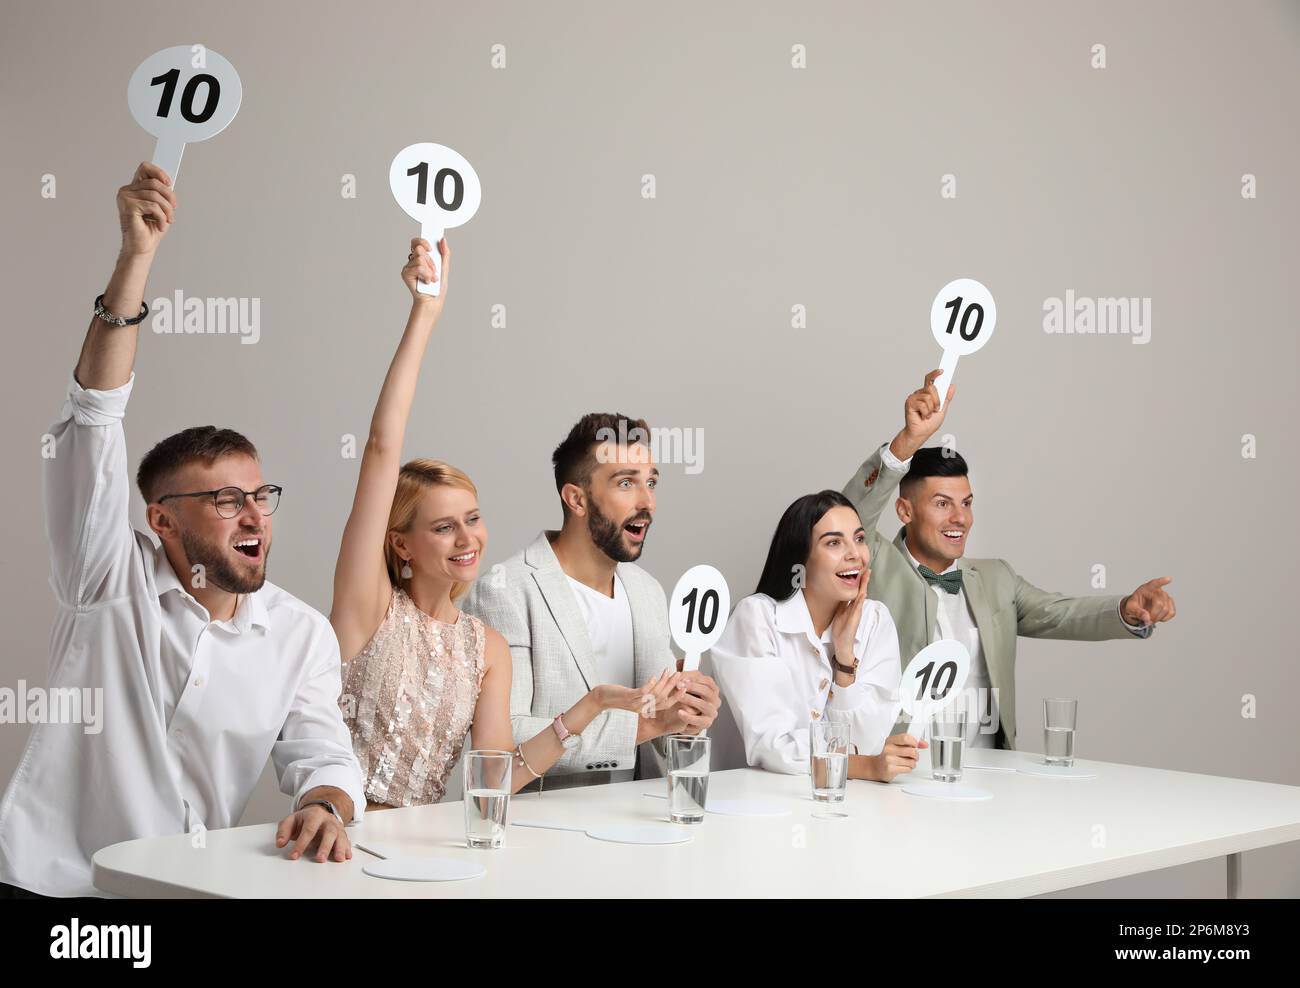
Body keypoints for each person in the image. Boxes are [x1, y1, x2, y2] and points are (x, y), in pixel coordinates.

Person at [0, 163, 365, 898]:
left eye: (262, 496)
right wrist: (136, 260)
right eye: (227, 500)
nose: (255, 514)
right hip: (52, 891)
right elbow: (93, 417)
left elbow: (323, 752)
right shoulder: (104, 577)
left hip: (185, 891)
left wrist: (327, 805)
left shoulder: (298, 635)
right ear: (160, 518)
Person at [330, 244, 678, 807]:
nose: (467, 538)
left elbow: (492, 781)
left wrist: (588, 708)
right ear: (400, 544)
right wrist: (425, 314)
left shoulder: (482, 646)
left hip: (421, 849)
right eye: (443, 527)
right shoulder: (367, 610)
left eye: (472, 519)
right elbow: (379, 448)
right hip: (337, 837)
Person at [839, 370, 1178, 749]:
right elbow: (844, 517)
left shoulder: (996, 578)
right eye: (942, 504)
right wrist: (907, 443)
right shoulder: (874, 565)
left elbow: (1061, 614)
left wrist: (1125, 610)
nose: (960, 518)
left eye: (966, 504)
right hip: (900, 772)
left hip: (990, 777)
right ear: (905, 511)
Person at [462, 414, 722, 789]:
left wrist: (687, 717)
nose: (646, 501)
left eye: (650, 482)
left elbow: (663, 739)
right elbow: (506, 743)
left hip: (643, 827)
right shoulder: (506, 591)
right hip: (544, 831)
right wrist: (646, 725)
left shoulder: (647, 591)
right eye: (626, 483)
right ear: (577, 499)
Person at [709, 491, 928, 782]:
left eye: (859, 539)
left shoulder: (875, 620)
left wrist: (845, 660)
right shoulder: (756, 618)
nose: (855, 554)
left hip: (851, 803)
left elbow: (867, 742)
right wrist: (865, 766)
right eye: (834, 543)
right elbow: (774, 748)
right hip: (761, 802)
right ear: (800, 557)